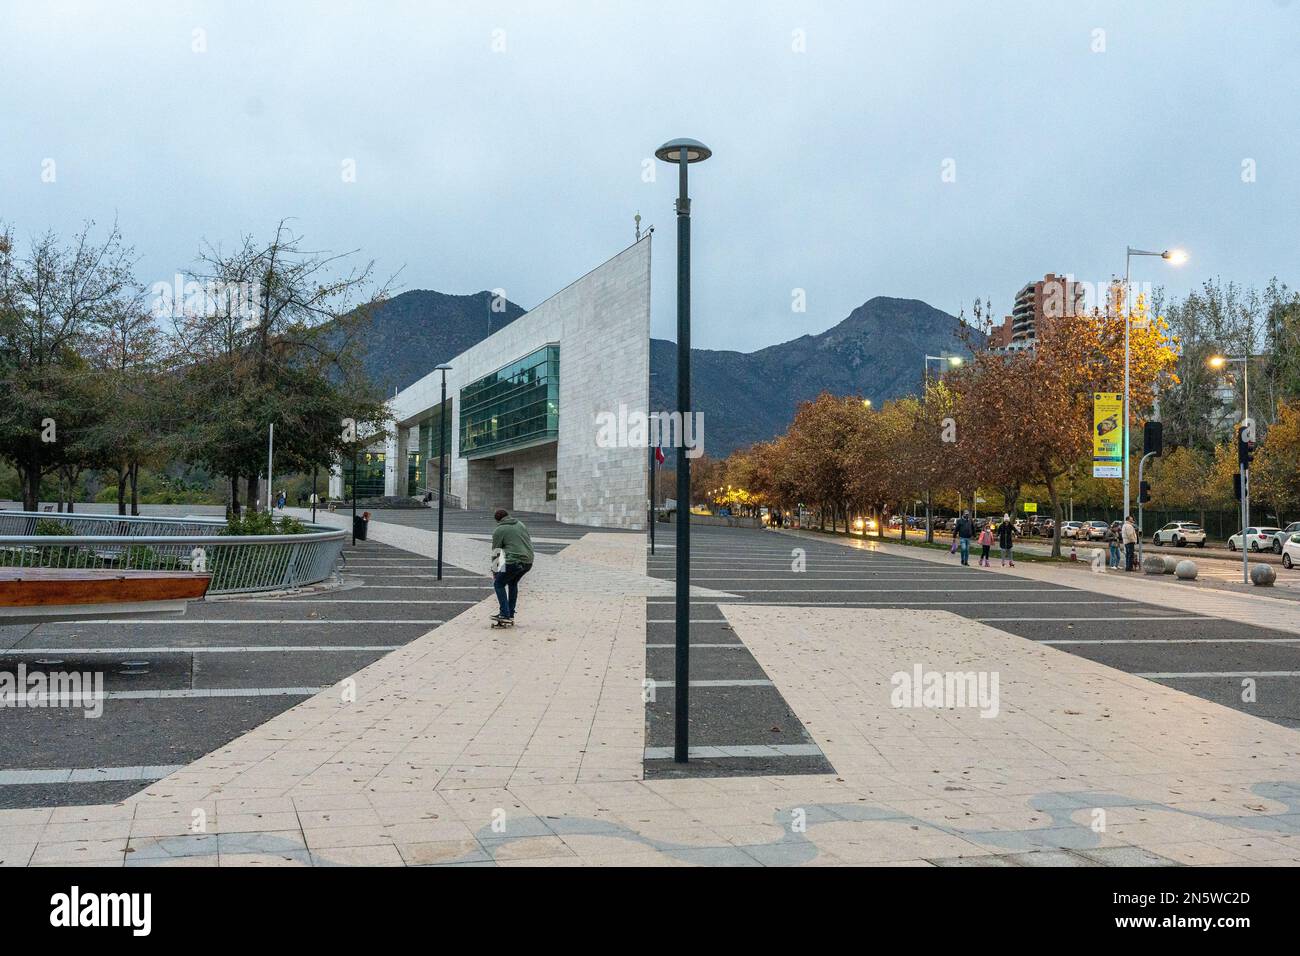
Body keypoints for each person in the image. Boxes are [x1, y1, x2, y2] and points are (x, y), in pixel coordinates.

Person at [490, 509, 534, 623]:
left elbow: (496, 552)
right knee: (512, 583)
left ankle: (505, 614)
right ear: (508, 516)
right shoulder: (520, 524)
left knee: (499, 584)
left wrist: (495, 572)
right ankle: (510, 612)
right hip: (528, 561)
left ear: (497, 520)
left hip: (514, 561)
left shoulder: (499, 530)